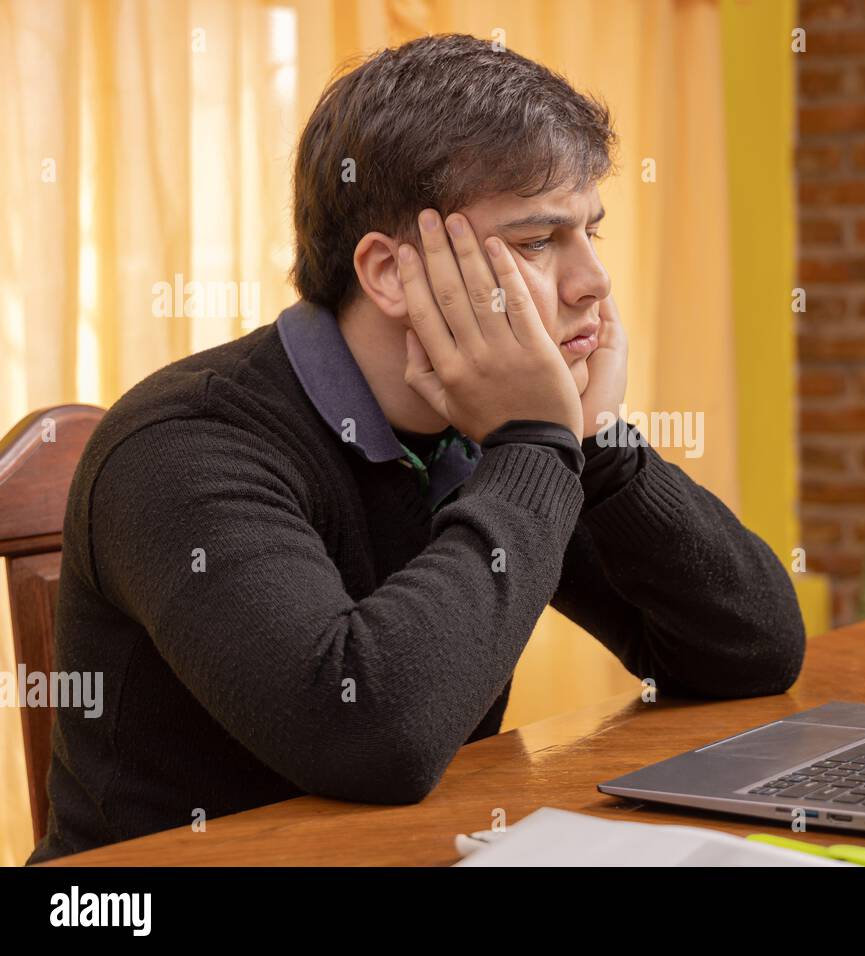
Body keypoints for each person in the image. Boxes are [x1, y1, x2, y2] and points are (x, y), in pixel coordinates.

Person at [28, 32, 804, 863]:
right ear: (391, 274)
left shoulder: (478, 426)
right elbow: (370, 734)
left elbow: (752, 651)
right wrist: (536, 444)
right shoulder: (180, 448)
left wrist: (597, 444)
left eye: (591, 232)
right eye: (539, 241)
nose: (592, 282)